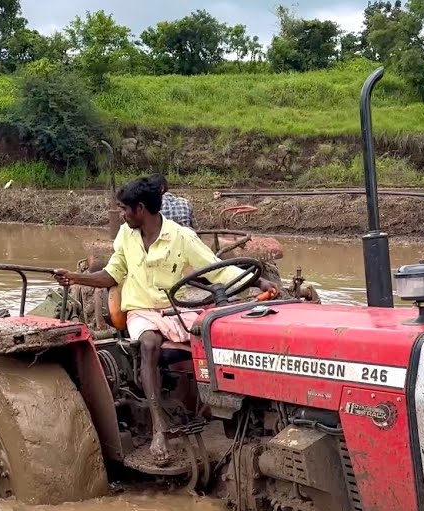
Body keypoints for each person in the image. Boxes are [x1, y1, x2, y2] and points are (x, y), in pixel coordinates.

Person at [54, 177, 277, 463]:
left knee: (209, 334)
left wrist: (258, 282)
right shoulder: (125, 235)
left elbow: (215, 269)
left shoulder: (181, 237)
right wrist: (75, 277)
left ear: (141, 208)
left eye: (125, 209)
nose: (122, 215)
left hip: (174, 309)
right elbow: (112, 275)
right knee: (148, 344)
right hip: (141, 311)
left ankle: (227, 412)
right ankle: (160, 428)